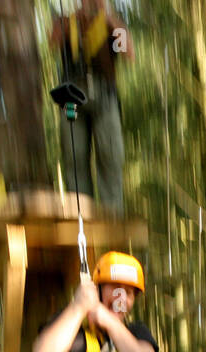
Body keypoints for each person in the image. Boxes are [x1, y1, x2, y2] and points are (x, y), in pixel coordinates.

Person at [49, 0, 134, 214]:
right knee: (73, 156)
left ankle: (112, 217)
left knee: (110, 156)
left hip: (105, 96)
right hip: (72, 99)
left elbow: (128, 54)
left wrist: (107, 18)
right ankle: (80, 217)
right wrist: (74, 21)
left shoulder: (112, 24)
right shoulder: (68, 22)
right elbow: (52, 42)